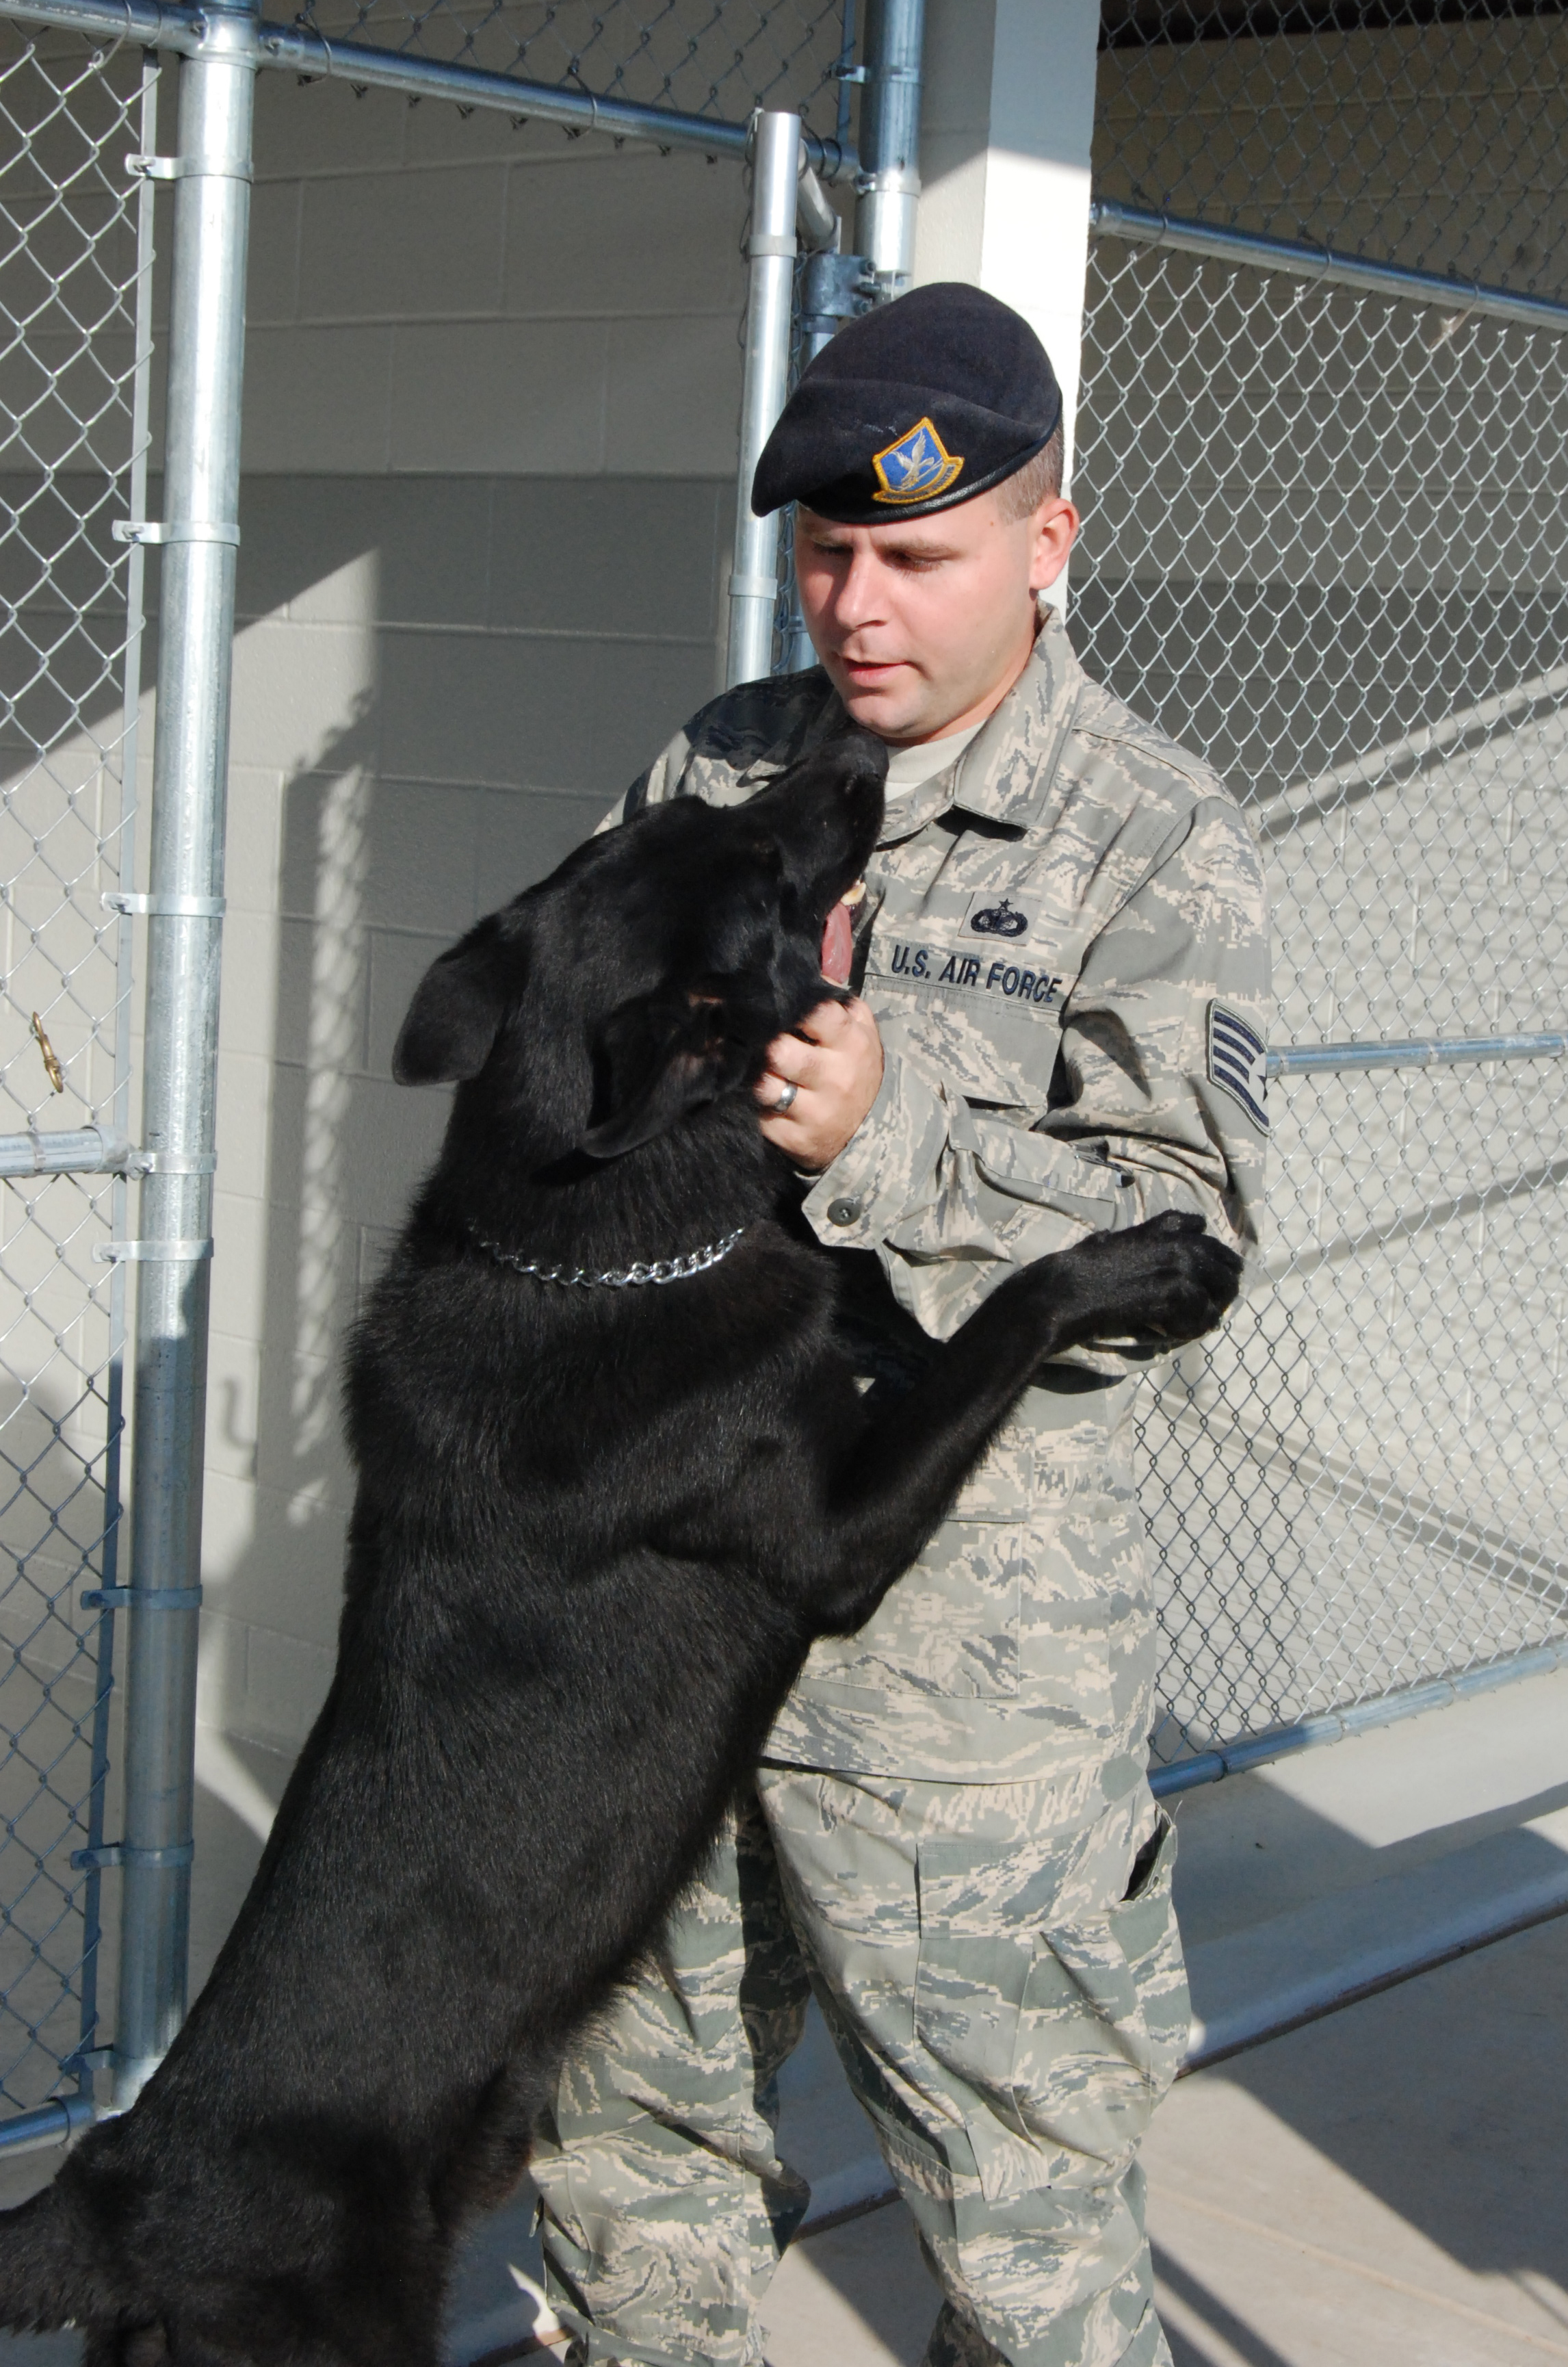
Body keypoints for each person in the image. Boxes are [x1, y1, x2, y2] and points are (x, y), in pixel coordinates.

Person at [530, 281, 1271, 2367]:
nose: (858, 603)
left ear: (1043, 542)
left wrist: (894, 1130)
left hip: (956, 1674)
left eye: (917, 555)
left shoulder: (1150, 829)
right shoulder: (724, 757)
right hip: (671, 1594)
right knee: (629, 2139)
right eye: (827, 550)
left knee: (1020, 2205)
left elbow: (1185, 1234)